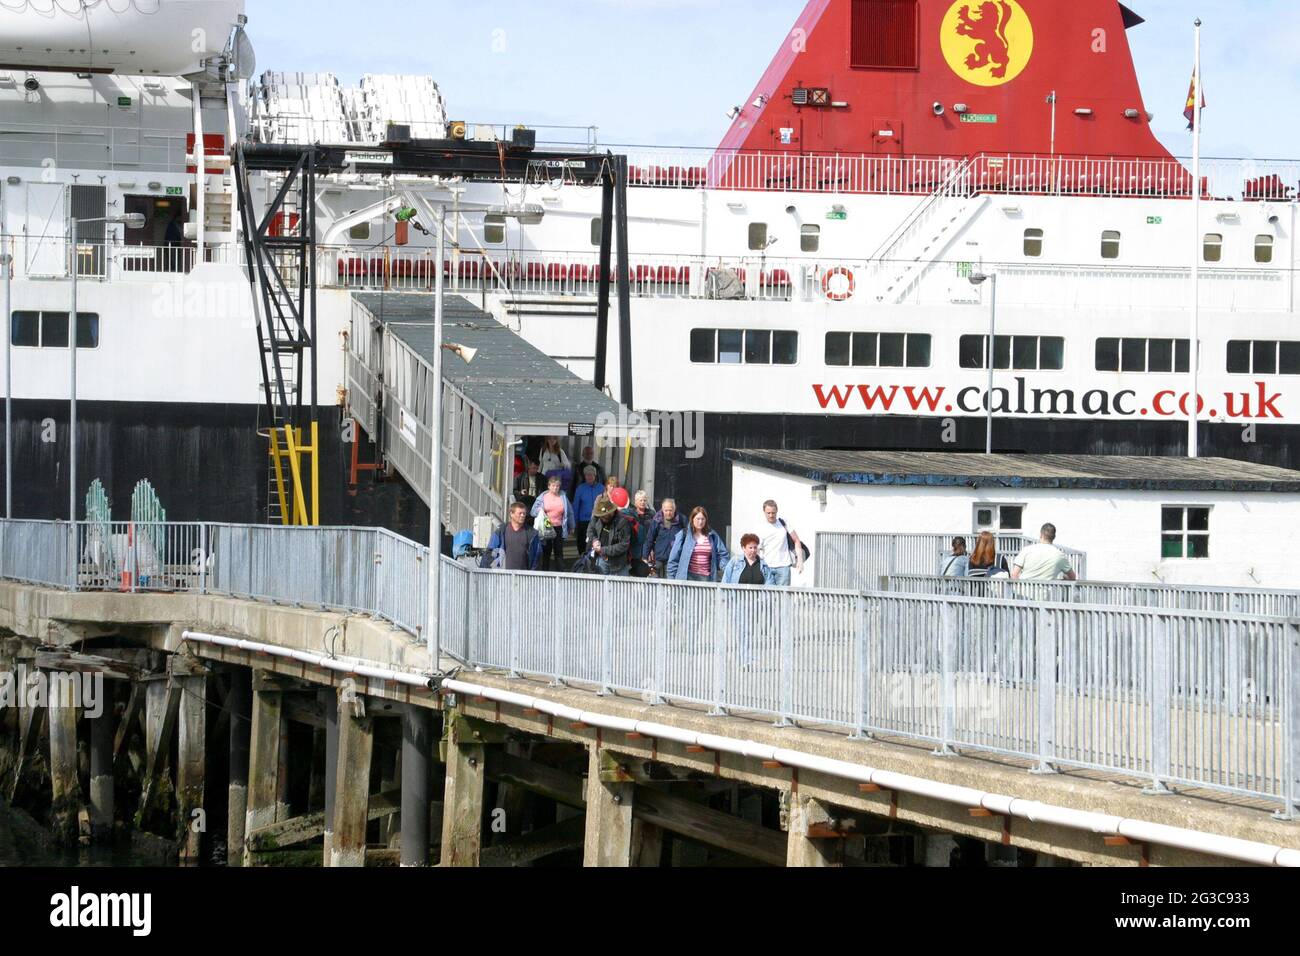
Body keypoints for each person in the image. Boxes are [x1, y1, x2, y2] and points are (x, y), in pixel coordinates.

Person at [667, 507, 730, 583]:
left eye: (703, 519)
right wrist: (671, 580)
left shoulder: (712, 535)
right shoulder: (683, 534)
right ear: (692, 519)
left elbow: (723, 554)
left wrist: (726, 569)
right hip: (687, 578)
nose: (700, 522)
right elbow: (673, 559)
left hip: (707, 578)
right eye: (698, 519)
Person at [481, 502, 542, 571]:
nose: (522, 515)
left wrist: (532, 574)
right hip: (504, 576)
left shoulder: (532, 533)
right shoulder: (501, 532)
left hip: (524, 576)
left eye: (524, 513)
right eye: (520, 513)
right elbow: (489, 553)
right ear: (511, 514)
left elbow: (537, 556)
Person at [530, 476, 574, 572]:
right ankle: (545, 573)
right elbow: (532, 512)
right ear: (549, 486)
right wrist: (540, 510)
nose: (555, 488)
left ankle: (561, 573)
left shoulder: (563, 497)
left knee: (559, 551)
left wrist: (572, 526)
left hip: (559, 527)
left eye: (558, 486)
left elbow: (569, 512)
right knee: (546, 551)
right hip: (547, 527)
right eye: (553, 486)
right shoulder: (542, 497)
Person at [758, 500, 805, 586]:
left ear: (777, 511)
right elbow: (757, 549)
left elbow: (796, 540)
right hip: (767, 566)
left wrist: (800, 560)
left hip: (784, 566)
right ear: (764, 512)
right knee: (768, 597)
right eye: (768, 513)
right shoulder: (760, 527)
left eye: (773, 513)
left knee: (783, 596)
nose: (771, 515)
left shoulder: (784, 523)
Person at [1013, 523, 1079, 582]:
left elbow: (1014, 574)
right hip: (1045, 594)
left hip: (1023, 593)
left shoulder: (1026, 550)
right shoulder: (1059, 555)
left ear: (1041, 535)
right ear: (1054, 537)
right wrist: (1065, 578)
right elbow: (1072, 577)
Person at [586, 495, 633, 576]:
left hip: (618, 563)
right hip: (600, 560)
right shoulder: (597, 517)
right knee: (601, 587)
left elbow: (624, 545)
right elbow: (590, 530)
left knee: (619, 588)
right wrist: (594, 540)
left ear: (612, 512)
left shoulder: (622, 522)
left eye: (606, 516)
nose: (603, 519)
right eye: (602, 517)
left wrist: (603, 550)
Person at [643, 498, 686, 578]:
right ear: (662, 509)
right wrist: (645, 557)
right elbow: (649, 539)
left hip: (674, 559)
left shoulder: (682, 520)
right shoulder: (656, 520)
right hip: (658, 558)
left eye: (670, 510)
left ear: (674, 509)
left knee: (670, 585)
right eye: (666, 510)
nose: (668, 513)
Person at [625, 490, 655, 578]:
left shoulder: (652, 514)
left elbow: (654, 532)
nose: (642, 502)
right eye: (640, 500)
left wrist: (652, 548)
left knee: (646, 571)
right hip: (634, 547)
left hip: (647, 546)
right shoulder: (630, 513)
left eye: (644, 500)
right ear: (635, 501)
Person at [572, 467, 602, 551]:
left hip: (598, 519)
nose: (589, 477)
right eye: (587, 475)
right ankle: (582, 557)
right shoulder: (580, 488)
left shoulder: (601, 488)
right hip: (583, 520)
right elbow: (576, 505)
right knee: (582, 541)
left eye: (591, 475)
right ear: (584, 476)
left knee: (596, 540)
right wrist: (574, 521)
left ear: (595, 476)